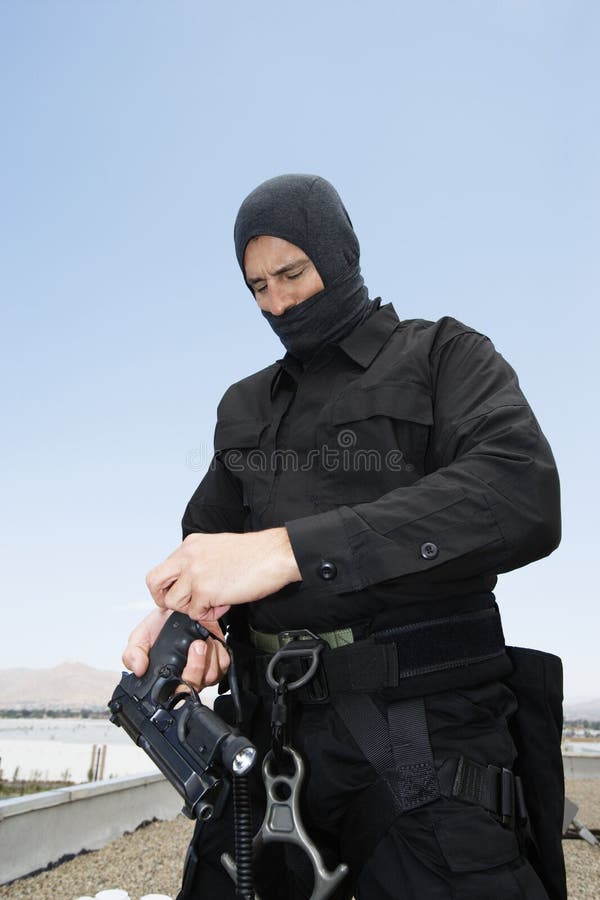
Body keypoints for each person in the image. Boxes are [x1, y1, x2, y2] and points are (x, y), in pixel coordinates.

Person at [123, 174, 562, 900]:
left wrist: (286, 550)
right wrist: (189, 620)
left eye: (291, 273)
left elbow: (520, 493)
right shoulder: (243, 406)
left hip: (427, 741)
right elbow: (210, 547)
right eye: (257, 287)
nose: (278, 302)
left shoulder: (443, 355)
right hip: (265, 743)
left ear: (340, 251)